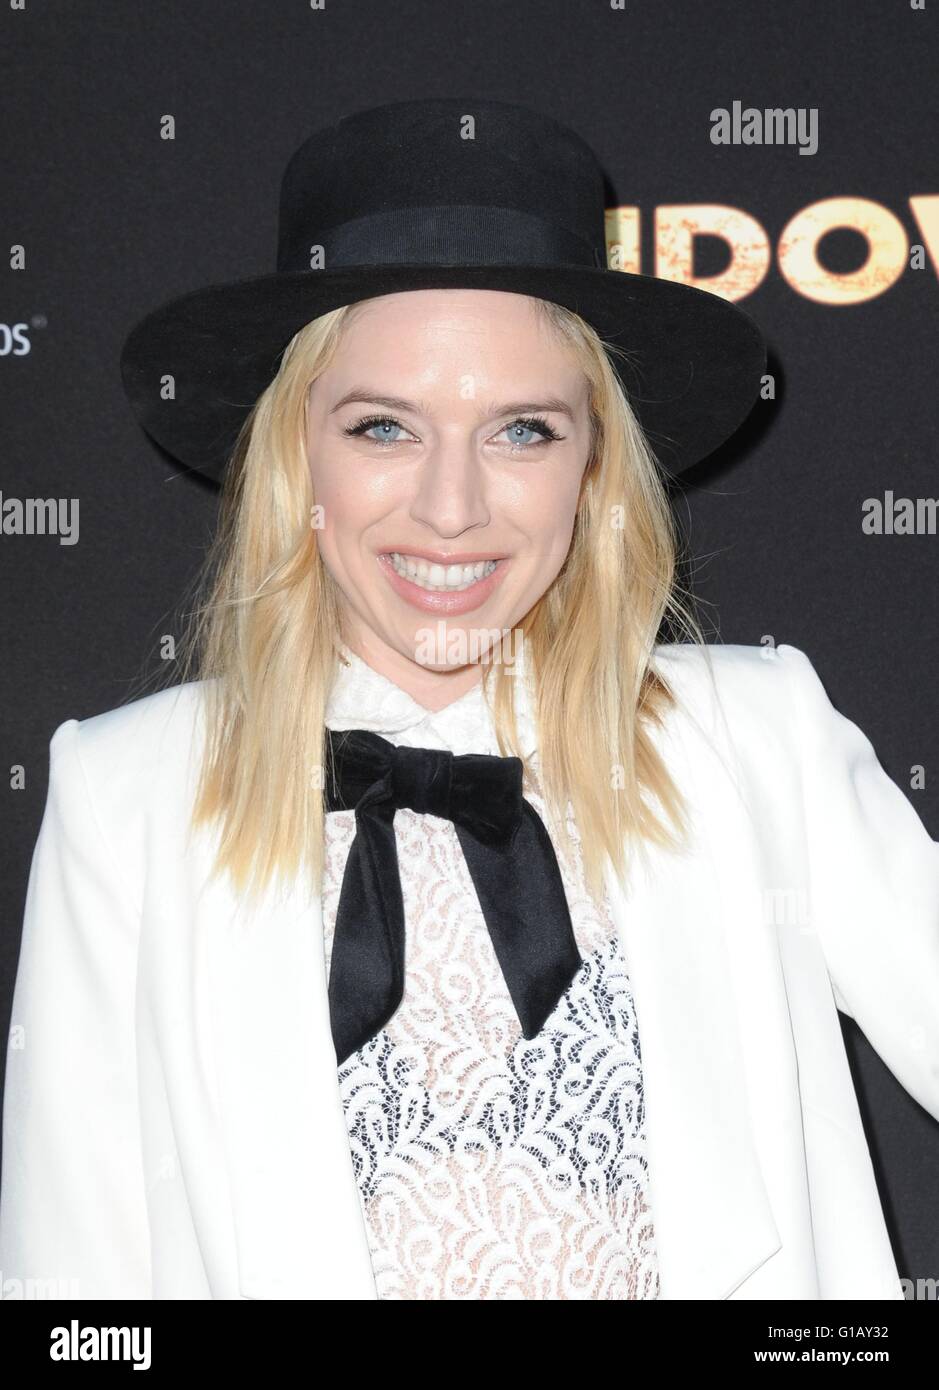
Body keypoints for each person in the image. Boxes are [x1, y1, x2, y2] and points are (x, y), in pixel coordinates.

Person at [0, 96, 936, 1302]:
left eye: (523, 431)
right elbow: (73, 1296)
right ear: (296, 455)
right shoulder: (126, 794)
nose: (452, 508)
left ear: (595, 467)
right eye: (384, 426)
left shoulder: (758, 740)